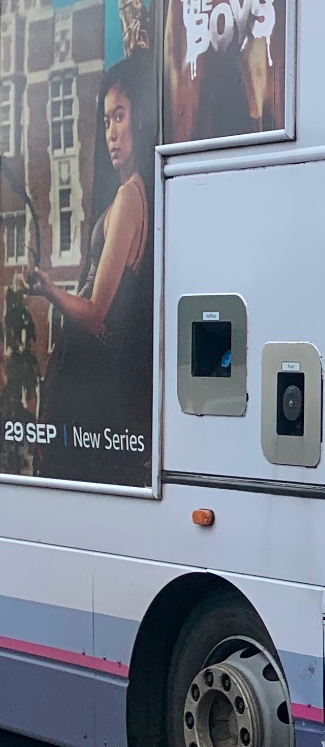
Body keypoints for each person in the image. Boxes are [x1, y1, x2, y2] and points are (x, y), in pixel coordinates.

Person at [21, 57, 155, 485]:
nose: (112, 132)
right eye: (107, 119)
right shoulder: (128, 194)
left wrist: (46, 288)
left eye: (121, 116)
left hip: (95, 395)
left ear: (142, 118)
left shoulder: (131, 197)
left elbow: (98, 311)